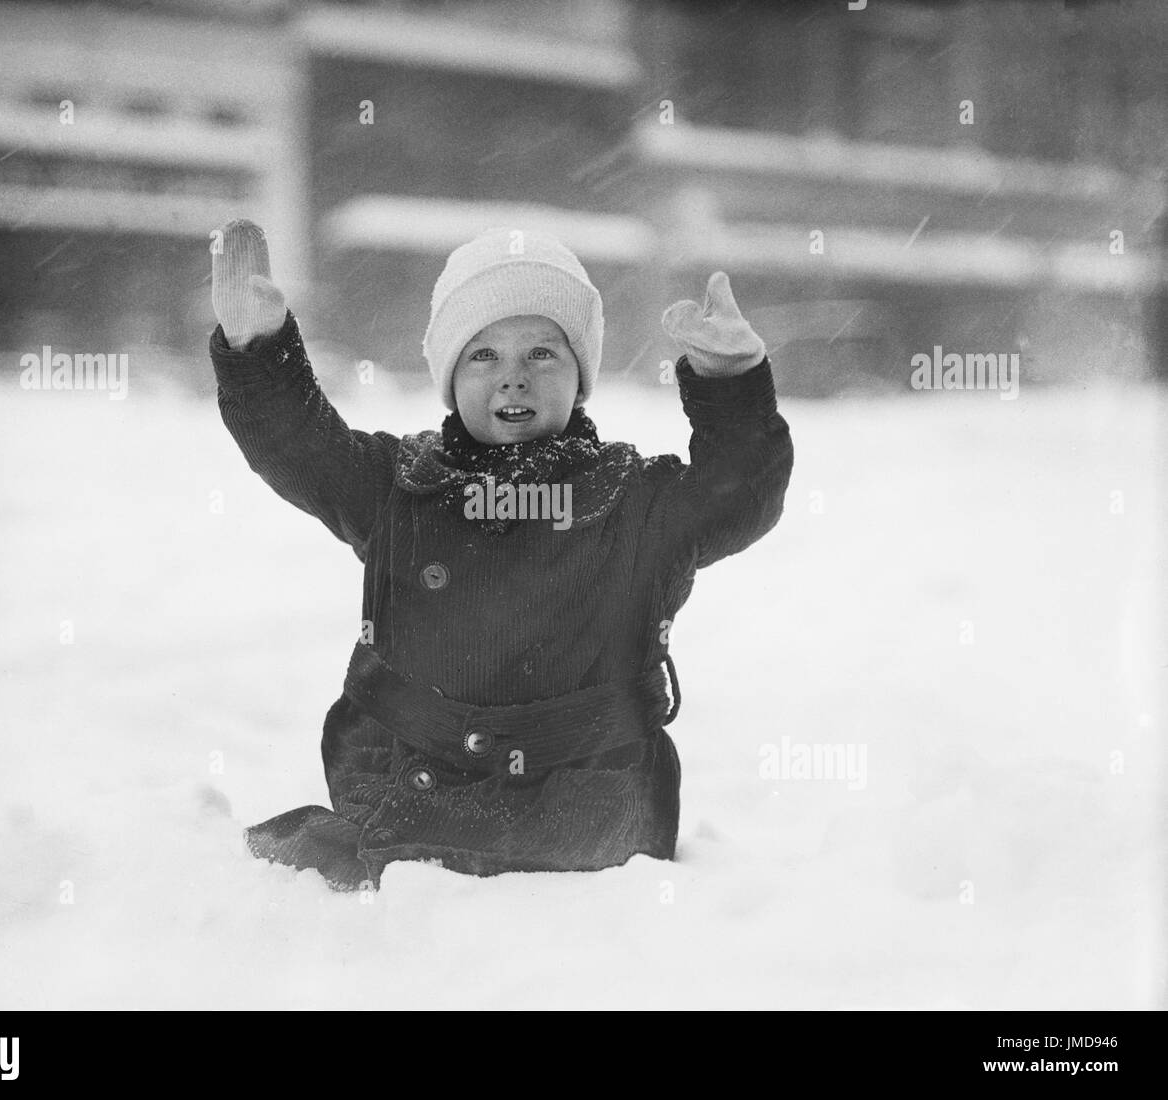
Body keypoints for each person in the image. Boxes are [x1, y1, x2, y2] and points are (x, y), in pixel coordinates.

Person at [209, 221, 793, 890]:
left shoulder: (635, 502)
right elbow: (300, 447)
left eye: (542, 353)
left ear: (580, 378)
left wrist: (732, 384)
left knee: (509, 873)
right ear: (449, 379)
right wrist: (259, 353)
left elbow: (740, 495)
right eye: (482, 355)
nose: (513, 378)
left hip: (587, 799)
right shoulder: (399, 486)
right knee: (369, 862)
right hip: (413, 772)